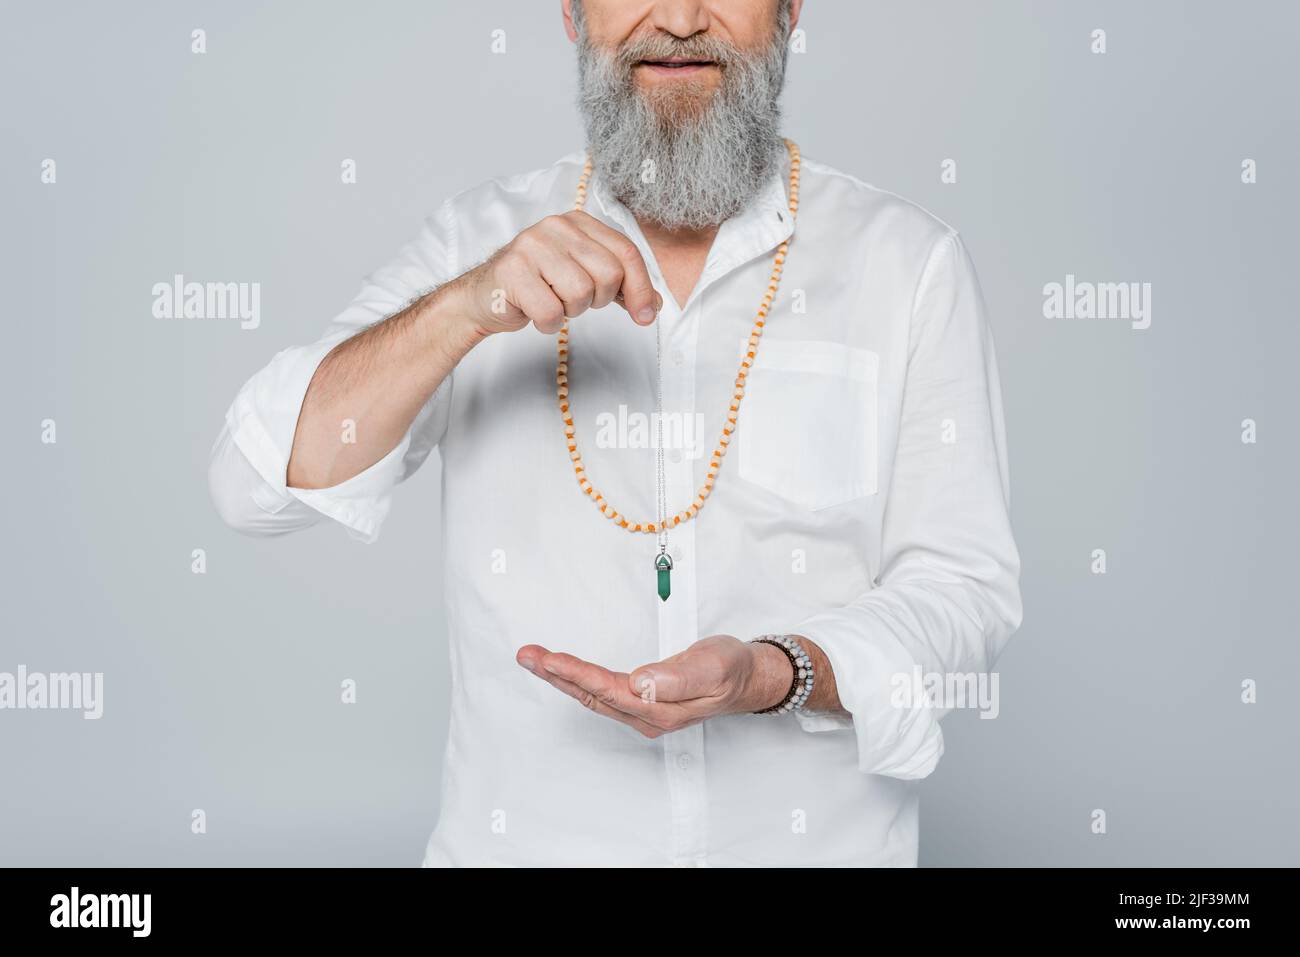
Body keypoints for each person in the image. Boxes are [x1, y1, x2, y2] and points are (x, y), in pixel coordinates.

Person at [208, 0, 1022, 867]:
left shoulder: (907, 265)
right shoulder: (475, 244)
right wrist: (463, 307)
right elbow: (254, 485)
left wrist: (773, 673)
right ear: (572, 12)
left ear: (790, 10)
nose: (677, 17)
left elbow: (965, 588)